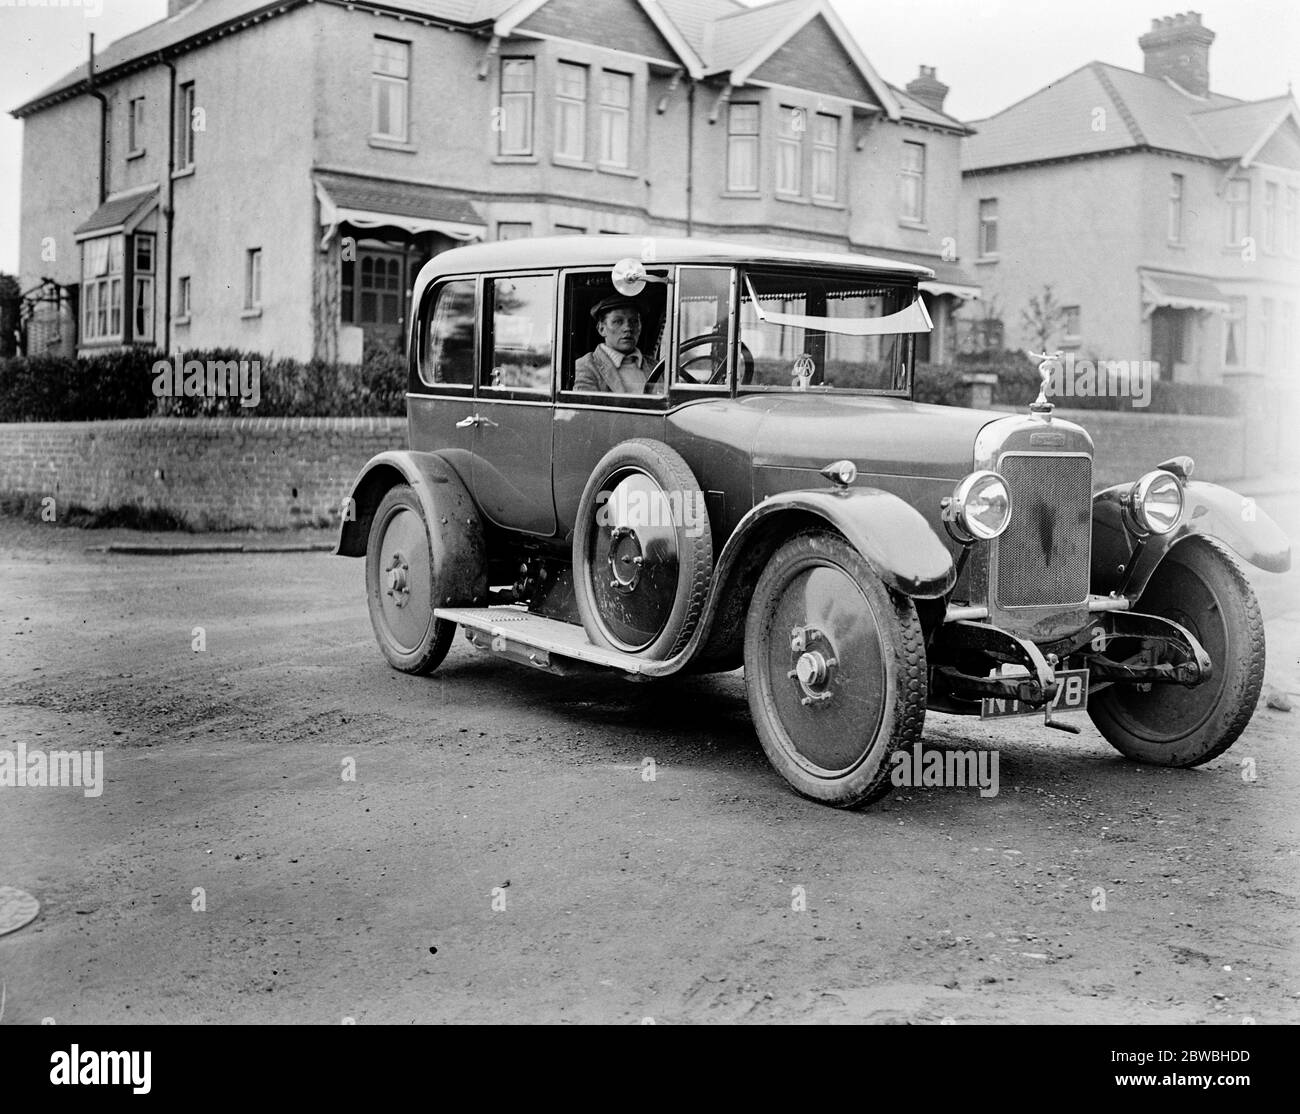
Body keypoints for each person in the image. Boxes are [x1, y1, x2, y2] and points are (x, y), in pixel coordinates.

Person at [573, 294, 658, 394]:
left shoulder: (655, 366)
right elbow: (587, 409)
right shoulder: (586, 366)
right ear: (601, 329)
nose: (628, 328)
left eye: (634, 321)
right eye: (618, 321)